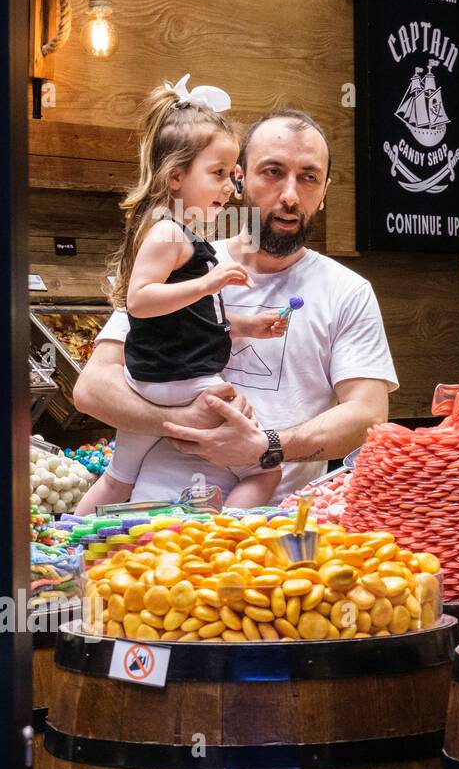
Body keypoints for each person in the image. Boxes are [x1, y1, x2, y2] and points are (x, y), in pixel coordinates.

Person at [74, 108, 398, 510]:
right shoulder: (183, 261)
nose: (291, 195)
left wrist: (264, 446)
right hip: (148, 517)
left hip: (272, 530)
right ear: (238, 180)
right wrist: (182, 421)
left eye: (308, 177)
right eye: (273, 171)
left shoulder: (347, 291)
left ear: (326, 190)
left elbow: (368, 415)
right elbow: (91, 388)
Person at [78, 78, 288, 513]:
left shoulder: (185, 235)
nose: (230, 189)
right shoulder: (167, 232)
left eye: (232, 176)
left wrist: (246, 325)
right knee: (265, 469)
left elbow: (193, 319)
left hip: (153, 388)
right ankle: (224, 536)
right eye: (217, 174)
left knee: (118, 480)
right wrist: (210, 282)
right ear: (175, 176)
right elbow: (140, 300)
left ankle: (63, 549)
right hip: (185, 385)